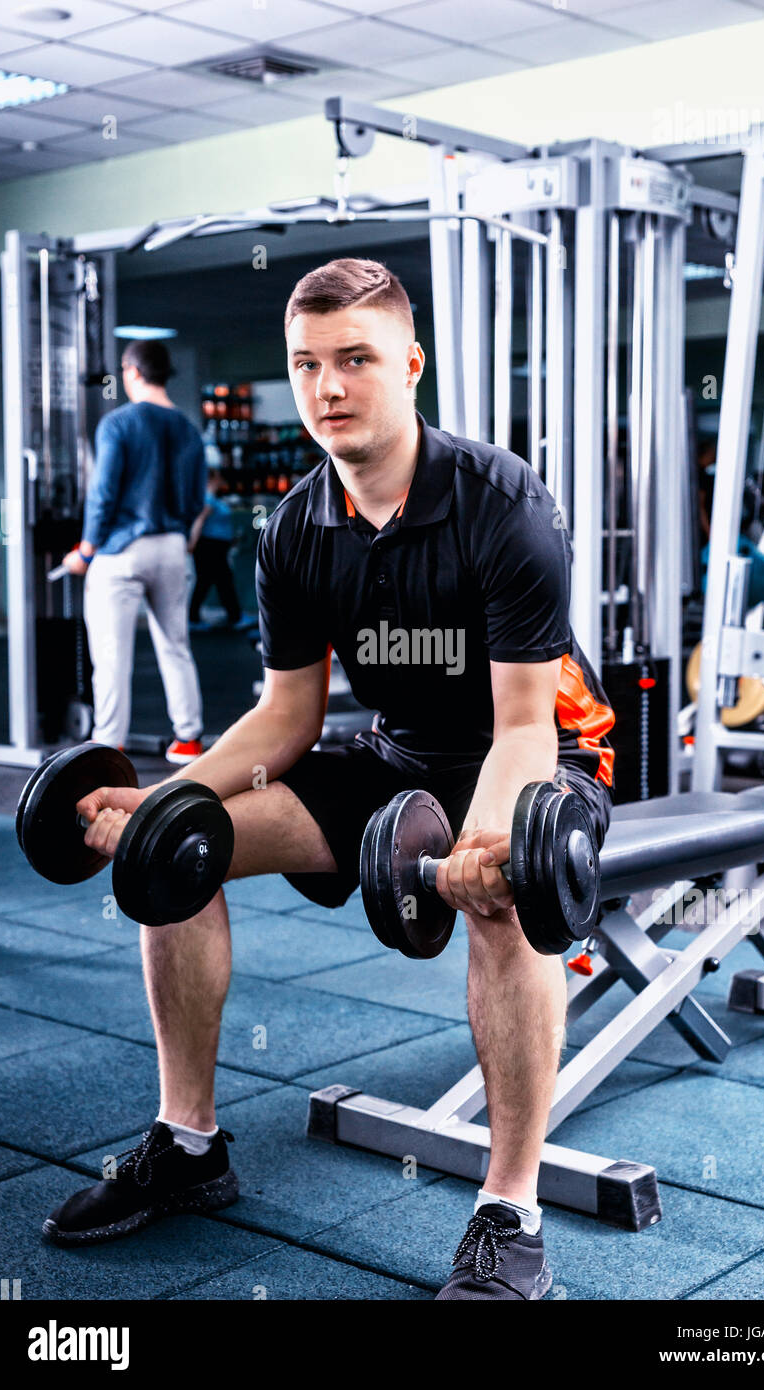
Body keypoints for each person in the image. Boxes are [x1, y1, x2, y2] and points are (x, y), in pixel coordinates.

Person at [45, 259, 616, 1301]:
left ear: (411, 364)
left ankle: (510, 1215)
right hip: (396, 757)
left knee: (506, 895)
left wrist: (476, 849)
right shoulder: (294, 529)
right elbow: (287, 715)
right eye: (306, 365)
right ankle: (189, 1145)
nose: (328, 387)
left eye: (355, 359)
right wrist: (166, 799)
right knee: (177, 852)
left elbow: (525, 725)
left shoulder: (503, 504)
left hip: (540, 756)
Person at [63, 340, 207, 764]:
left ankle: (109, 746)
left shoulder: (118, 423)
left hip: (121, 552)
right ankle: (188, 739)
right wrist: (181, 535)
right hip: (172, 548)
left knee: (111, 655)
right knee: (175, 645)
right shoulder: (189, 429)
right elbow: (197, 500)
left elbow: (103, 493)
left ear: (132, 372)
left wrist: (85, 550)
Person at [188, 469, 246, 630]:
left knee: (217, 581)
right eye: (219, 477)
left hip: (216, 546)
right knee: (212, 581)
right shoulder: (207, 499)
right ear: (212, 479)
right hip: (209, 546)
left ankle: (234, 616)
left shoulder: (213, 498)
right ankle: (233, 617)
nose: (221, 480)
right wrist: (192, 542)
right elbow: (199, 520)